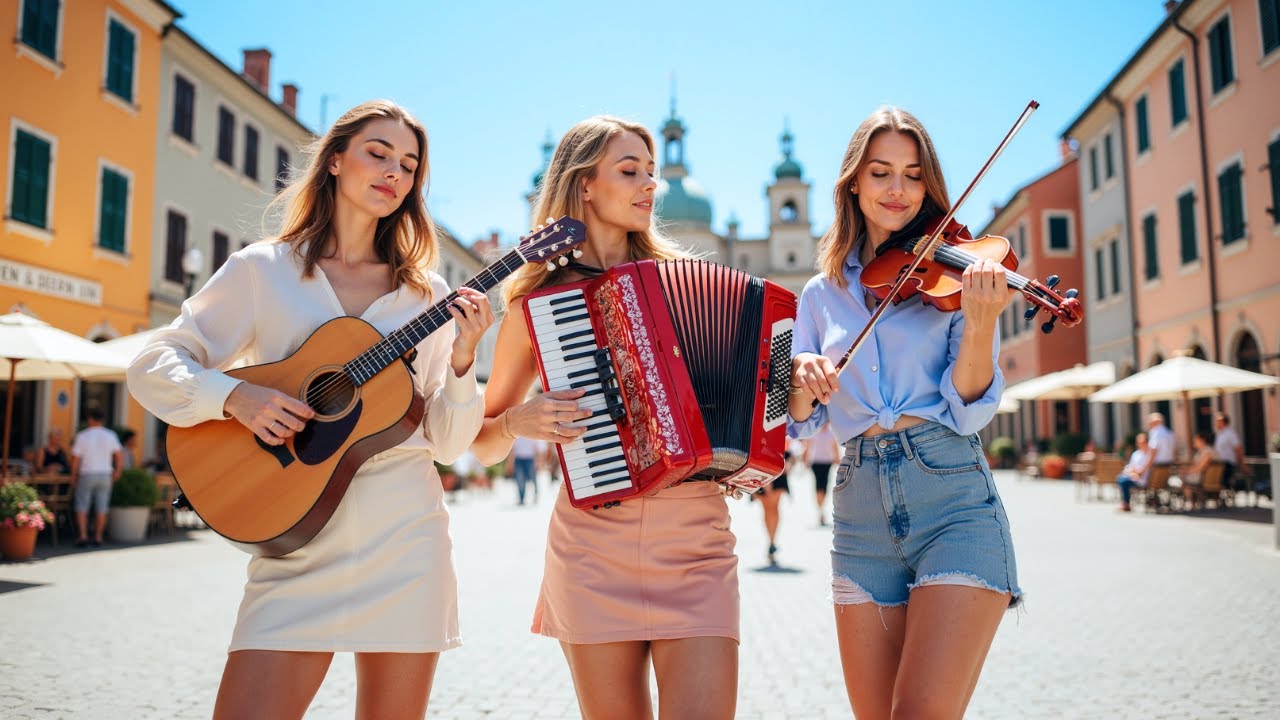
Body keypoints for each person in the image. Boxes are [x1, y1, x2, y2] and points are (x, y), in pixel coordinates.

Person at [126, 100, 493, 720]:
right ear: (335, 162)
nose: (394, 172)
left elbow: (448, 443)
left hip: (405, 540)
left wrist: (463, 361)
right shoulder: (262, 270)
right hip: (293, 542)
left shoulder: (426, 295)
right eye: (378, 153)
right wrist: (235, 397)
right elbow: (152, 364)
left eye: (409, 165)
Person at [471, 116, 738, 720]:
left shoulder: (690, 283)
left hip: (694, 541)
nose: (649, 184)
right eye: (630, 170)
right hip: (592, 548)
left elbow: (748, 386)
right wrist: (517, 422)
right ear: (584, 185)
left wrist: (794, 377)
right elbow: (484, 444)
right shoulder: (537, 303)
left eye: (651, 172)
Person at [787, 106, 1020, 720]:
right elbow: (801, 421)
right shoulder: (821, 294)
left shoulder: (956, 273)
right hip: (859, 508)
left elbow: (967, 410)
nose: (897, 189)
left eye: (914, 175)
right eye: (881, 172)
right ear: (853, 183)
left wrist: (980, 323)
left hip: (953, 501)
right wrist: (805, 376)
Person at [69, 409, 123, 547]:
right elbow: (119, 455)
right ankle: (98, 537)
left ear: (90, 419)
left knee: (82, 505)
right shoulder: (111, 435)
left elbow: (75, 458)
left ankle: (83, 536)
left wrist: (73, 475)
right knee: (102, 507)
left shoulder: (83, 436)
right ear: (102, 420)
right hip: (105, 474)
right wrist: (117, 471)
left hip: (87, 473)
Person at [757, 438, 798, 566]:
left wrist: (789, 462)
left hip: (776, 465)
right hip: (760, 466)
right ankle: (771, 541)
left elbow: (792, 446)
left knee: (772, 509)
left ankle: (772, 541)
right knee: (768, 509)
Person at [803, 422, 841, 526]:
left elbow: (835, 447)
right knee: (818, 486)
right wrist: (805, 460)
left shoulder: (831, 433)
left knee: (824, 487)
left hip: (827, 463)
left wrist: (837, 460)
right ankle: (820, 510)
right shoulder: (814, 432)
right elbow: (808, 447)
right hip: (816, 463)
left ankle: (821, 508)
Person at [1178, 430, 1218, 509]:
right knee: (1184, 477)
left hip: (1204, 477)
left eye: (1195, 440)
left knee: (1185, 480)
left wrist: (1187, 472)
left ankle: (1190, 501)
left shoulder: (1207, 451)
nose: (1194, 442)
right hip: (1200, 475)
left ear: (1202, 440)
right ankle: (1191, 501)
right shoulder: (1201, 452)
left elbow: (1200, 467)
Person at [1115, 433, 1152, 512]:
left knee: (1124, 482)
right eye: (1139, 442)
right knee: (1121, 479)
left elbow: (1145, 469)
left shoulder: (1150, 454)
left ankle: (1126, 504)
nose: (1140, 444)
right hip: (1133, 476)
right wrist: (1132, 473)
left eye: (1142, 442)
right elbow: (1130, 467)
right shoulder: (1136, 454)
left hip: (1143, 479)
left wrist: (1136, 473)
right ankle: (1125, 503)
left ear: (1146, 442)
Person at [1212, 412, 1245, 496]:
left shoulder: (1230, 433)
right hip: (1220, 463)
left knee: (1226, 483)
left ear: (1223, 422)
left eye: (1217, 421)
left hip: (1228, 463)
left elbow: (1238, 448)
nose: (1216, 423)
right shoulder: (1219, 434)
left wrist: (1241, 463)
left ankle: (1228, 497)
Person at [510, 435, 541, 505]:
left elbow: (537, 449)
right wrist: (511, 463)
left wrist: (539, 462)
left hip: (530, 459)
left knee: (533, 479)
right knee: (520, 480)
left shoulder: (532, 434)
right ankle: (521, 498)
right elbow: (512, 449)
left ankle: (536, 495)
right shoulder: (516, 435)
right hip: (519, 460)